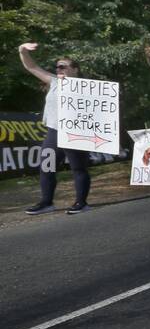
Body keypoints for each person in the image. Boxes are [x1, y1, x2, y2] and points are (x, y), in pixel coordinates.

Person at [18, 43, 92, 215]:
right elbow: (31, 66)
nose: (58, 69)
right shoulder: (54, 82)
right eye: (57, 66)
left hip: (75, 133)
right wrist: (22, 50)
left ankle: (81, 202)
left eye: (62, 66)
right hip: (54, 133)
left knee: (78, 168)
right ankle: (46, 202)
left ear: (75, 69)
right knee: (47, 167)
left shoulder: (88, 87)